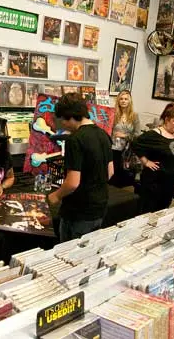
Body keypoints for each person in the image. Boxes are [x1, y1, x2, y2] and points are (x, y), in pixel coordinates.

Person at [47, 94, 113, 241]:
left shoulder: (74, 140)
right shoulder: (103, 134)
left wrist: (55, 196)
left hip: (78, 212)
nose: (62, 124)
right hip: (99, 208)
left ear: (70, 116)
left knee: (68, 255)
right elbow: (110, 172)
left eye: (62, 119)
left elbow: (72, 183)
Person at [132, 104, 174, 213]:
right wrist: (146, 161)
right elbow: (135, 144)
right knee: (148, 212)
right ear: (167, 120)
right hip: (154, 183)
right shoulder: (154, 135)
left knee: (163, 211)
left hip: (170, 183)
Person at [110, 90, 141, 187]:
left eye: (126, 99)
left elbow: (137, 135)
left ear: (130, 101)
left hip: (127, 151)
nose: (123, 101)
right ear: (118, 101)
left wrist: (124, 136)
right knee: (111, 175)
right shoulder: (113, 114)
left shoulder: (134, 116)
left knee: (123, 176)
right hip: (113, 148)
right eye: (121, 99)